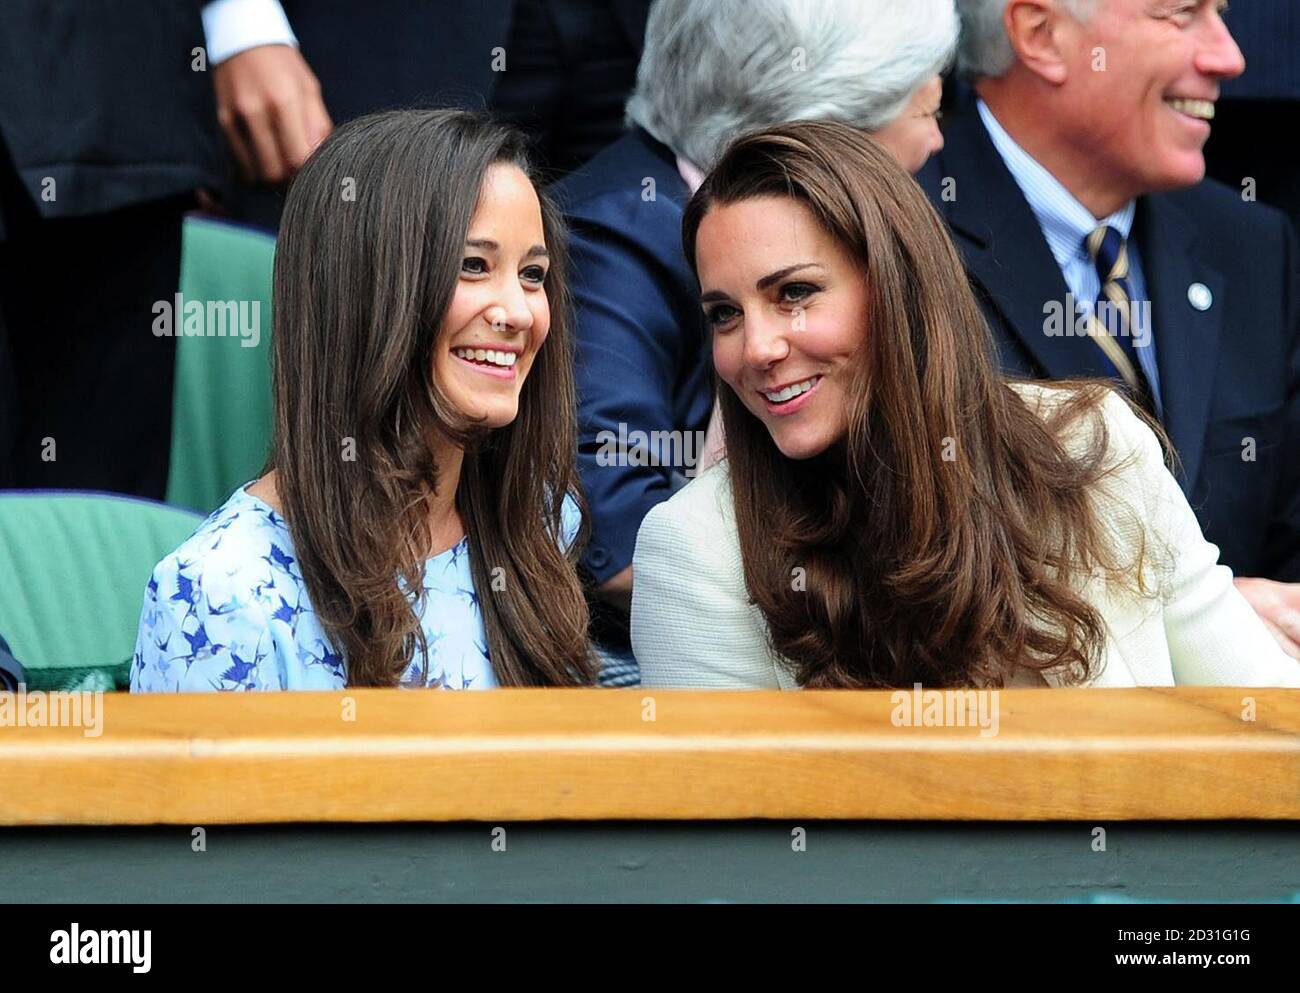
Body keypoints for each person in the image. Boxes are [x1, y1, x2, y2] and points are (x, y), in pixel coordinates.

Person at [631, 120, 1300, 690]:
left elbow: (1266, 717)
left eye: (794, 294)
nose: (756, 347)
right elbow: (744, 837)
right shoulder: (697, 549)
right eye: (724, 314)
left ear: (897, 287)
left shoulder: (1100, 447)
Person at [553, 0, 959, 675]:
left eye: (793, 295)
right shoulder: (608, 237)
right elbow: (615, 539)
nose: (938, 144)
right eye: (924, 112)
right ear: (822, 130)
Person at [132, 109, 594, 691]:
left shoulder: (540, 522)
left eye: (533, 274)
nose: (519, 312)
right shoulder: (221, 591)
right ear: (369, 293)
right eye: (473, 266)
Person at [916, 0, 1300, 655]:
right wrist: (1200, 614)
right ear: (1041, 35)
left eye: (1222, 12)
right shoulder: (899, 237)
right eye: (1182, 15)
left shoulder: (1251, 244)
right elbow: (894, 566)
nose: (1228, 56)